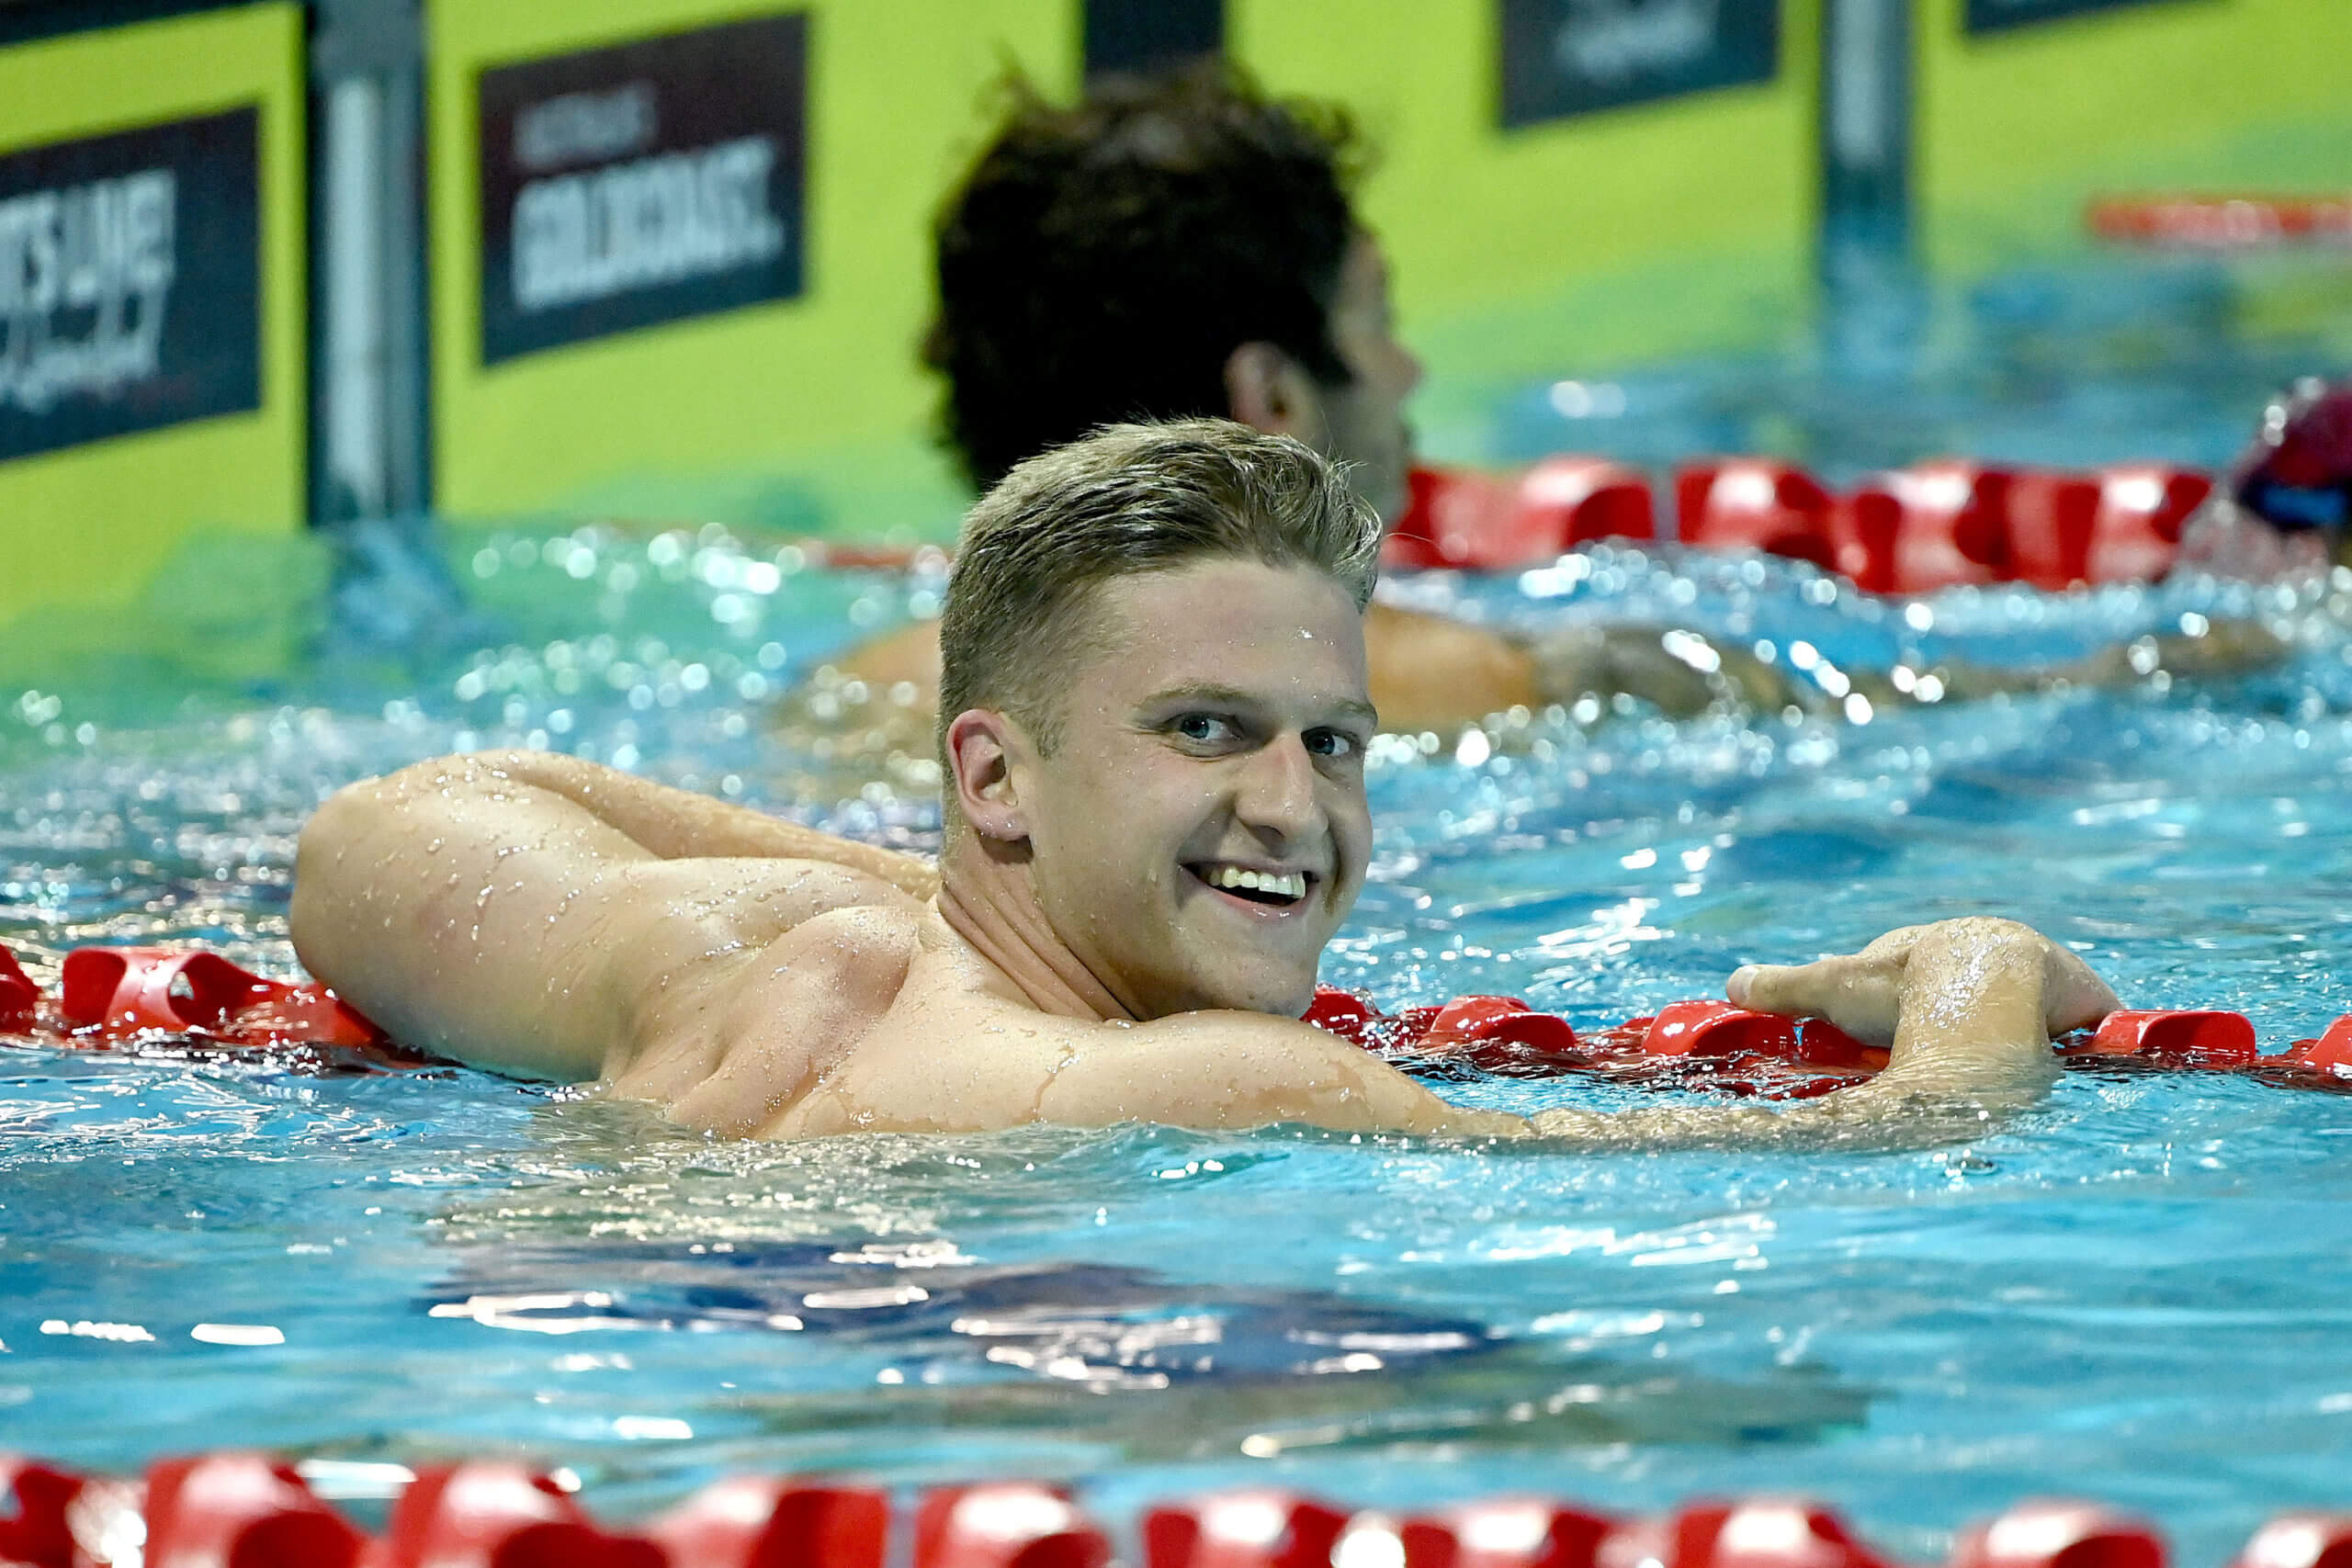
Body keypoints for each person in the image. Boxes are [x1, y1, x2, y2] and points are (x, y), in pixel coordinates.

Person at [294, 421, 2117, 1144]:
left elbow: (386, 830)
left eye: (1330, 741)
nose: (1290, 804)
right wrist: (1972, 977)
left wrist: (927, 885)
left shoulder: (728, 959)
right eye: (1203, 730)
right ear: (992, 770)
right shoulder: (1224, 1074)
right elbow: (1861, 1158)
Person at [812, 67, 2263, 744]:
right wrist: (2199, 660)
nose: (1408, 378)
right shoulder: (1441, 679)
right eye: (1372, 327)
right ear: (1269, 399)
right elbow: (1863, 705)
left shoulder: (857, 693)